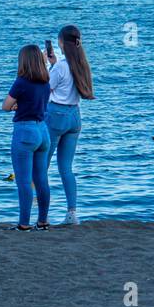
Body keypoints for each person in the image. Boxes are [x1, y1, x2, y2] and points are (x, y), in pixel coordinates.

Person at [44, 24, 95, 226]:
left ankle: (43, 214)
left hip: (56, 115)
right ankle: (72, 213)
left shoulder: (61, 67)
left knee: (42, 166)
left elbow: (46, 88)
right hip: (75, 116)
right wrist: (55, 65)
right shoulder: (81, 65)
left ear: (61, 42)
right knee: (66, 168)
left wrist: (51, 66)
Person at [2, 44, 52, 230]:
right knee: (41, 179)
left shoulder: (21, 82)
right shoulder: (46, 82)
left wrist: (15, 107)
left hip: (25, 132)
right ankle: (43, 221)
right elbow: (37, 105)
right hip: (43, 131)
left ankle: (24, 224)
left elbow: (6, 106)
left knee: (23, 181)